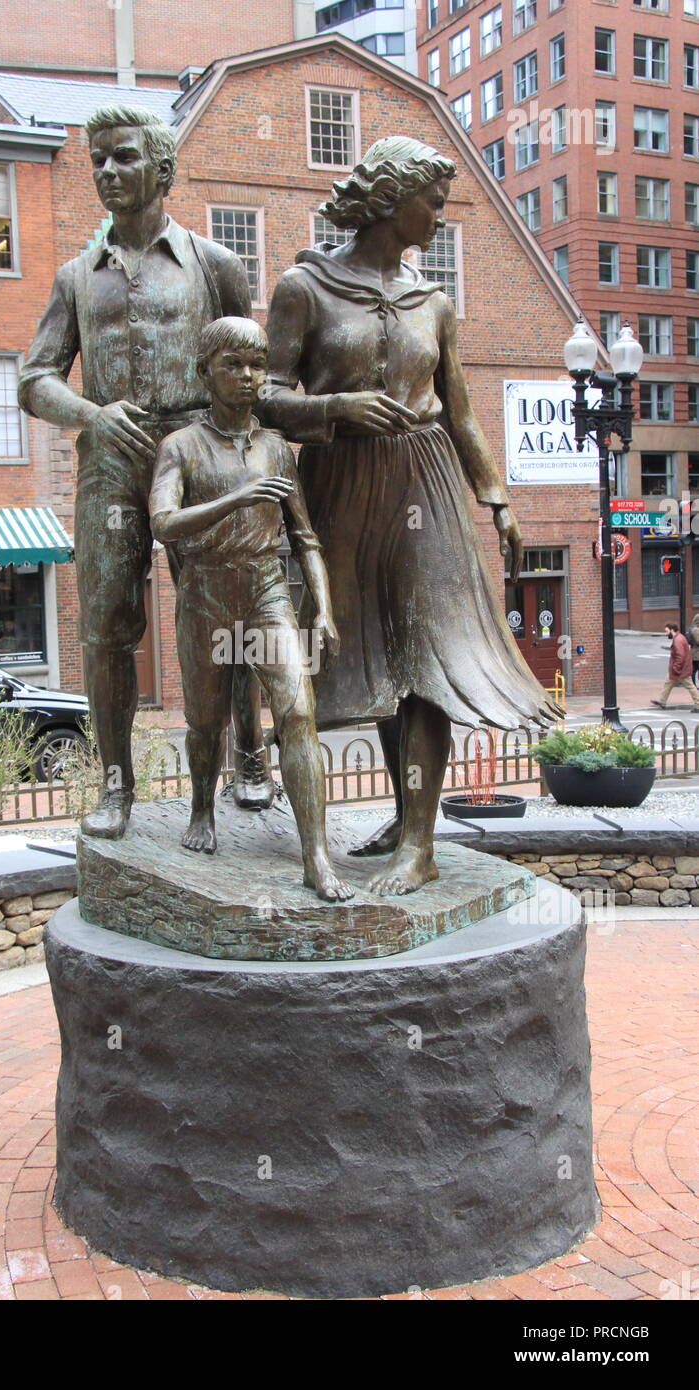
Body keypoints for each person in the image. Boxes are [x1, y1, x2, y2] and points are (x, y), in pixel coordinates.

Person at [260, 135, 560, 896]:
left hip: (425, 480)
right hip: (339, 483)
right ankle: (400, 813)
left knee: (426, 653)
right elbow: (263, 398)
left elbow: (460, 412)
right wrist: (332, 407)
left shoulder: (435, 301)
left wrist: (495, 497)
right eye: (433, 202)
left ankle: (418, 841)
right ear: (393, 201)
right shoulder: (305, 286)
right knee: (364, 656)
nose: (440, 216)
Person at [18, 104, 273, 838]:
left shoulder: (214, 264)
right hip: (111, 464)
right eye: (97, 159)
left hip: (201, 456)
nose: (106, 172)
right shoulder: (75, 277)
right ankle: (115, 786)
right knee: (104, 629)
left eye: (123, 157)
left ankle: (249, 756)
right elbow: (35, 378)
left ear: (162, 171)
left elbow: (246, 359)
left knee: (235, 611)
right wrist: (92, 414)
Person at [149, 317, 353, 903]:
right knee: (204, 720)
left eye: (256, 365)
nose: (247, 376)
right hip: (207, 592)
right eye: (233, 364)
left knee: (297, 712)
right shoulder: (181, 448)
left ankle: (314, 854)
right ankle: (200, 810)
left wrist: (325, 609)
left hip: (267, 589)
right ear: (204, 371)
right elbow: (163, 523)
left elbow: (306, 538)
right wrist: (235, 497)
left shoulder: (274, 450)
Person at [651, 623, 699, 710]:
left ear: (672, 630)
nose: (666, 634)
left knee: (690, 686)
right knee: (668, 683)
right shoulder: (679, 638)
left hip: (681, 670)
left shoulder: (678, 640)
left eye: (666, 631)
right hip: (679, 670)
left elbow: (680, 656)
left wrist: (676, 668)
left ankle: (698, 704)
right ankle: (662, 702)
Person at [689, 612, 699, 687]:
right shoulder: (696, 630)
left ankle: (693, 685)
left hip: (695, 653)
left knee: (694, 670)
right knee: (694, 670)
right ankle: (693, 685)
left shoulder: (694, 628)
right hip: (697, 654)